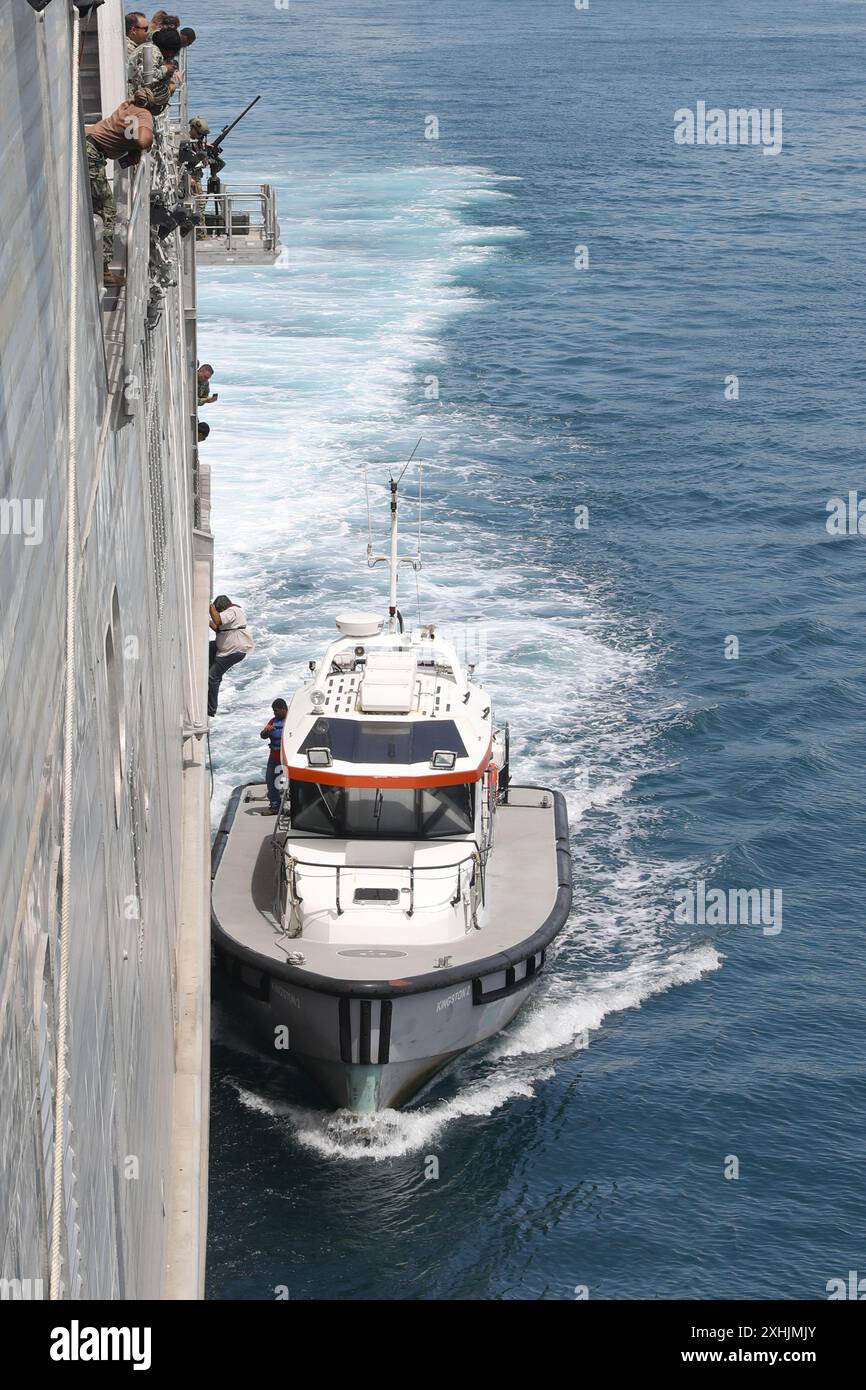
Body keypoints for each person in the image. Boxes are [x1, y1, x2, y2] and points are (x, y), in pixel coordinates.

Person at [85, 100, 154, 285]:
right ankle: (104, 271)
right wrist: (146, 143)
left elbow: (127, 135)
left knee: (96, 203)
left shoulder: (129, 106)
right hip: (92, 152)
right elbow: (144, 139)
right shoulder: (143, 114)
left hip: (90, 147)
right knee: (106, 208)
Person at [208, 595, 253, 716]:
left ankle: (211, 709)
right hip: (229, 649)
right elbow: (218, 629)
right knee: (210, 647)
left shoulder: (232, 610)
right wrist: (206, 621)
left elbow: (217, 620)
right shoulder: (231, 614)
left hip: (234, 650)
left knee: (213, 676)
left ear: (221, 607)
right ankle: (212, 682)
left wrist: (209, 605)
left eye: (218, 611)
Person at [128, 26, 182, 114]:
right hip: (134, 98)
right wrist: (166, 69)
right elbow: (148, 77)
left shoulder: (151, 48)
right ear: (170, 50)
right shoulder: (152, 51)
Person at [260, 699, 288, 812]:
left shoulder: (292, 720)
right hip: (274, 757)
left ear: (283, 709)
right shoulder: (273, 721)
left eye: (276, 711)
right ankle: (275, 805)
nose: (274, 713)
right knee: (271, 780)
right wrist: (267, 731)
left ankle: (291, 804)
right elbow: (262, 735)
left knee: (287, 782)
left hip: (287, 758)